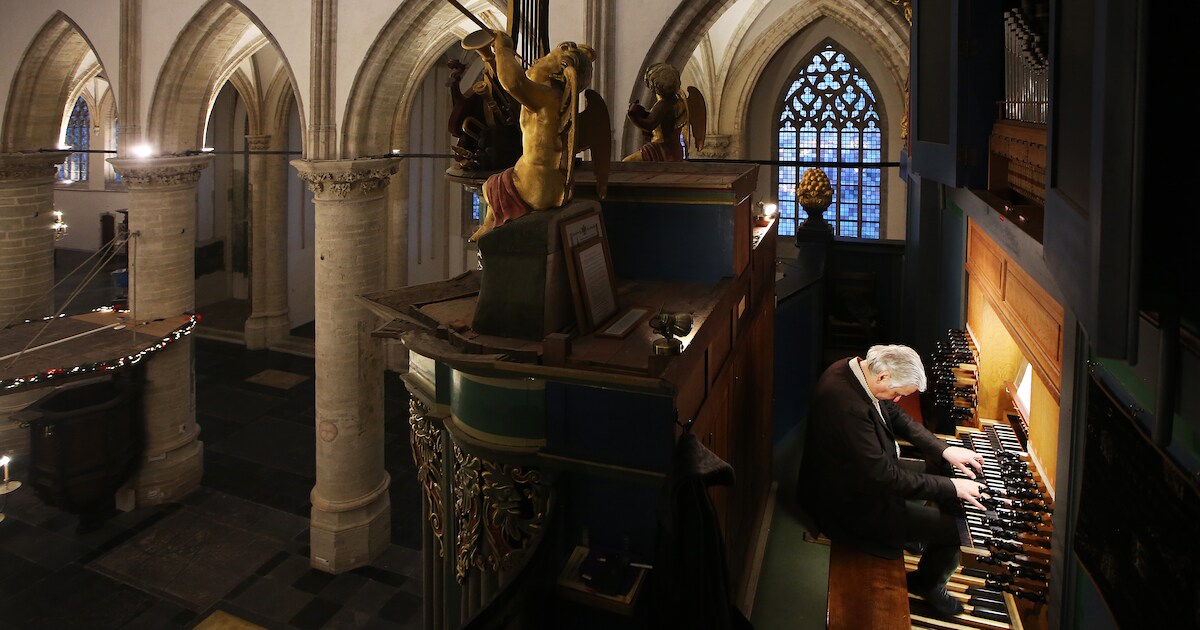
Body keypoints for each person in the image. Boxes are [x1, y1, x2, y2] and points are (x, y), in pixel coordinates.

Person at [796, 344, 989, 617]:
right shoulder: (847, 406)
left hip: (857, 477)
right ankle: (926, 583)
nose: (896, 400)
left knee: (943, 472)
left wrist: (944, 450)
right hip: (849, 505)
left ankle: (917, 535)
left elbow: (895, 416)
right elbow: (885, 478)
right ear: (884, 376)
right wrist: (954, 488)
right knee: (957, 530)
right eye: (897, 393)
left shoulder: (855, 369)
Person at [468, 33, 595, 242]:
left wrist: (503, 49)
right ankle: (489, 224)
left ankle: (491, 227)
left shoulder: (546, 98)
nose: (538, 60)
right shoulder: (553, 99)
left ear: (557, 72)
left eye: (546, 59)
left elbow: (514, 82)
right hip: (549, 182)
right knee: (499, 179)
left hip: (536, 185)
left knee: (491, 184)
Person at [623, 62, 688, 162]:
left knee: (627, 162)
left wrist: (632, 116)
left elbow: (650, 124)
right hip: (674, 147)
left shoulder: (663, 105)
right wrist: (643, 113)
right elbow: (659, 118)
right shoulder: (677, 100)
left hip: (661, 148)